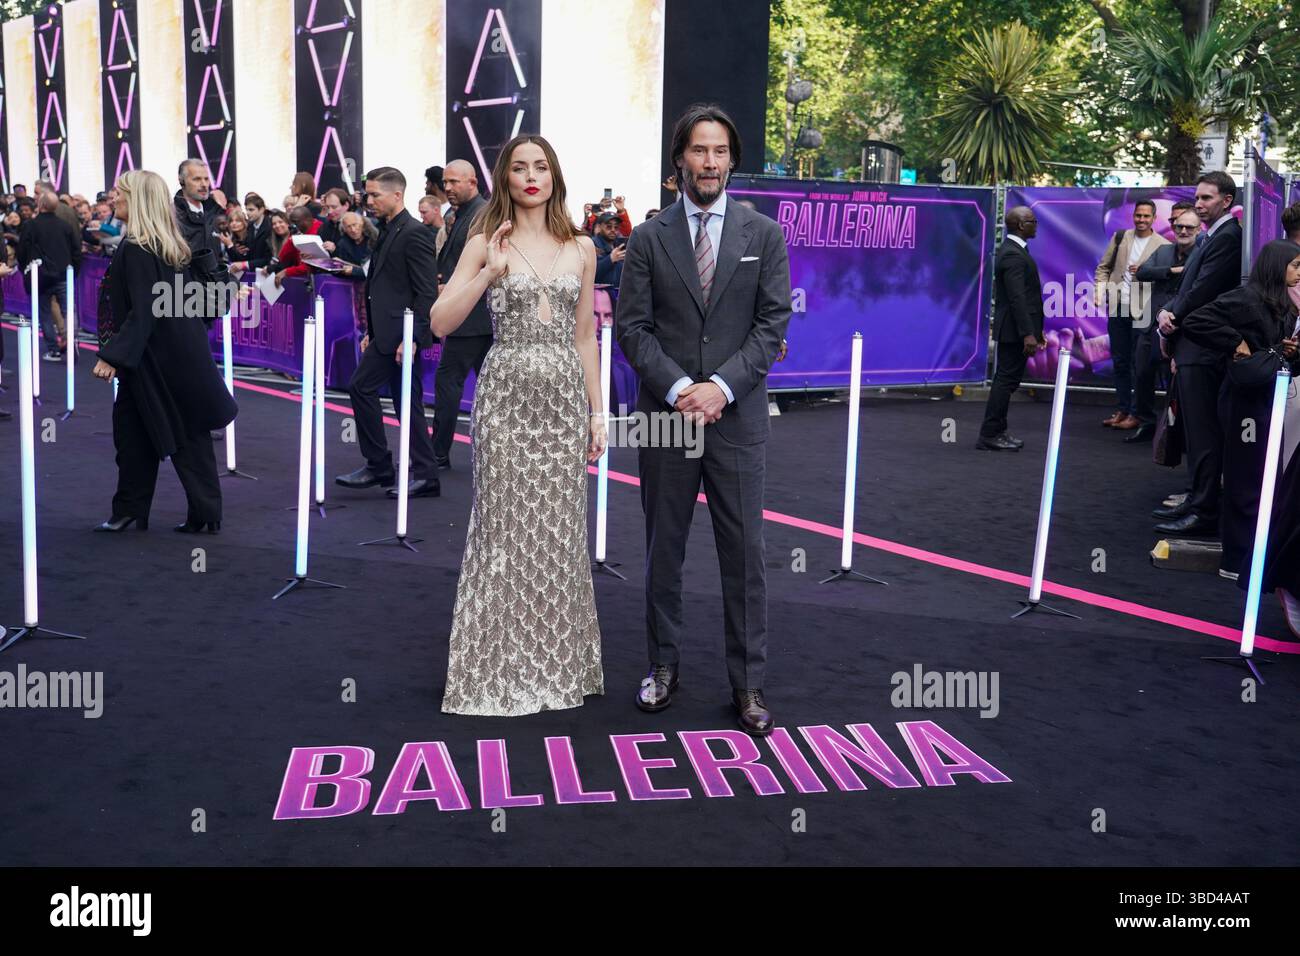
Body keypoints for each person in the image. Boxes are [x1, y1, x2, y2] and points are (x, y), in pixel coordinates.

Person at [617, 104, 791, 736]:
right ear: (680, 159)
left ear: (732, 159)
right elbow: (632, 330)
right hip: (664, 420)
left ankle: (748, 685)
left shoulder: (762, 235)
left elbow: (772, 325)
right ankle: (662, 668)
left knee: (745, 555)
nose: (710, 162)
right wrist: (680, 388)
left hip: (737, 420)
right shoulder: (648, 236)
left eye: (720, 151)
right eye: (698, 150)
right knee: (664, 550)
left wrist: (718, 388)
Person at [430, 134, 604, 716]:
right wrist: (488, 274)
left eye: (543, 166)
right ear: (505, 177)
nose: (532, 176)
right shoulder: (485, 241)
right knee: (504, 533)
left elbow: (585, 335)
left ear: (555, 175)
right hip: (505, 400)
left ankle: (556, 665)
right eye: (520, 168)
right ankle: (496, 670)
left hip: (561, 405)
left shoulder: (582, 247)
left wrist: (596, 411)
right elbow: (440, 322)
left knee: (556, 535)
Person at [90, 169, 237, 533]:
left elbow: (144, 311)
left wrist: (112, 355)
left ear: (137, 199)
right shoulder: (163, 244)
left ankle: (140, 511)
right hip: (174, 353)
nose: (114, 199)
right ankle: (166, 511)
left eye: (119, 193)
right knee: (147, 432)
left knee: (174, 433)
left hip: (159, 357)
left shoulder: (139, 248)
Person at [1180, 240, 1300, 576]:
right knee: (1244, 479)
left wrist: (1284, 350)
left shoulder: (1280, 304)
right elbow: (1196, 320)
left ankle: (1251, 557)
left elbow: (1272, 349)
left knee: (1262, 477)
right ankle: (1237, 560)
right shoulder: (1247, 297)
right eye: (1295, 265)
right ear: (1278, 266)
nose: (1299, 272)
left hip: (1265, 396)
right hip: (1243, 399)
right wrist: (1235, 342)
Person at [334, 166, 440, 498]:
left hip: (401, 334)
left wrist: (413, 337)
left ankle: (382, 466)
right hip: (388, 333)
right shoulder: (388, 229)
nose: (368, 200)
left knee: (362, 387)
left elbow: (425, 292)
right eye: (367, 194)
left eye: (375, 194)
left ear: (397, 195)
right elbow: (383, 286)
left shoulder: (414, 233)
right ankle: (422, 473)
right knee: (405, 402)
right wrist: (372, 330)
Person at [1154, 172, 1243, 536]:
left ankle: (1205, 511)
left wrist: (1171, 316)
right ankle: (1197, 498)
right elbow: (1188, 285)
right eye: (1198, 197)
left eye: (1207, 198)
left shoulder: (1229, 236)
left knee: (1205, 434)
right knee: (1195, 433)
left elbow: (1203, 290)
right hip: (1190, 345)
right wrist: (1166, 315)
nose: (1199, 204)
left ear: (1226, 199)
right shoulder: (1211, 235)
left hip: (1204, 350)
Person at [431, 159, 491, 470]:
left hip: (472, 318)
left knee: (449, 383)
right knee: (489, 388)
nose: (449, 188)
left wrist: (451, 290)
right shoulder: (466, 214)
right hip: (471, 317)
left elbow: (485, 265)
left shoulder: (482, 214)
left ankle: (437, 454)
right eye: (446, 182)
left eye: (455, 182)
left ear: (473, 181)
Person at [1094, 199, 1168, 429]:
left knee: (1140, 365)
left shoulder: (1163, 245)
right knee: (1120, 362)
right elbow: (1103, 268)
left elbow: (1165, 280)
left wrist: (1147, 272)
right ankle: (1123, 409)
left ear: (1153, 218)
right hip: (1118, 307)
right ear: (1133, 216)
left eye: (1146, 216)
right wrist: (1100, 290)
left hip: (1144, 311)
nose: (1142, 220)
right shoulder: (1120, 237)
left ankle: (1137, 413)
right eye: (1138, 215)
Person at [1129, 208, 1200, 443]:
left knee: (1178, 382)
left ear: (1199, 230)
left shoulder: (1202, 254)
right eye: (1179, 226)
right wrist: (1171, 271)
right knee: (1142, 374)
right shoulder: (1163, 250)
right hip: (1151, 324)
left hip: (1182, 328)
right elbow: (1142, 273)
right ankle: (1146, 423)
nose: (1183, 231)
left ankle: (1174, 431)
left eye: (1189, 227)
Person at [977, 206, 1044, 451]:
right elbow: (1018, 298)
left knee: (1007, 381)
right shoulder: (1013, 255)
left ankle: (998, 431)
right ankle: (990, 433)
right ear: (1020, 225)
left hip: (1018, 329)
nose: (1036, 225)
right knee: (1005, 381)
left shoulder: (1015, 251)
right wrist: (1028, 333)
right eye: (1032, 221)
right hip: (1014, 331)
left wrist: (1036, 331)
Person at [17, 190, 82, 360]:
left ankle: (53, 349)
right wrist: (74, 270)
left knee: (44, 313)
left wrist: (24, 268)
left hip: (39, 276)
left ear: (40, 205)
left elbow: (22, 250)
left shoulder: (30, 226)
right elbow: (77, 249)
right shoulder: (65, 226)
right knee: (69, 310)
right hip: (63, 275)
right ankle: (71, 340)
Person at [174, 160, 228, 263]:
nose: (204, 184)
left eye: (206, 179)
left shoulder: (216, 213)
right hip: (183, 278)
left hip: (214, 278)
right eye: (197, 179)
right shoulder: (172, 216)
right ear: (182, 181)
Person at [334, 210, 377, 278]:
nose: (353, 230)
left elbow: (373, 270)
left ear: (361, 223)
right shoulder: (343, 244)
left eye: (354, 224)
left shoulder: (373, 240)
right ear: (344, 229)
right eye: (349, 227)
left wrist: (354, 270)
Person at [592, 211, 626, 286]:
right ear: (599, 227)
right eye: (609, 226)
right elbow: (590, 273)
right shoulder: (592, 244)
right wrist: (610, 259)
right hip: (601, 294)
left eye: (616, 227)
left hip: (619, 293)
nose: (613, 230)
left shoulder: (620, 244)